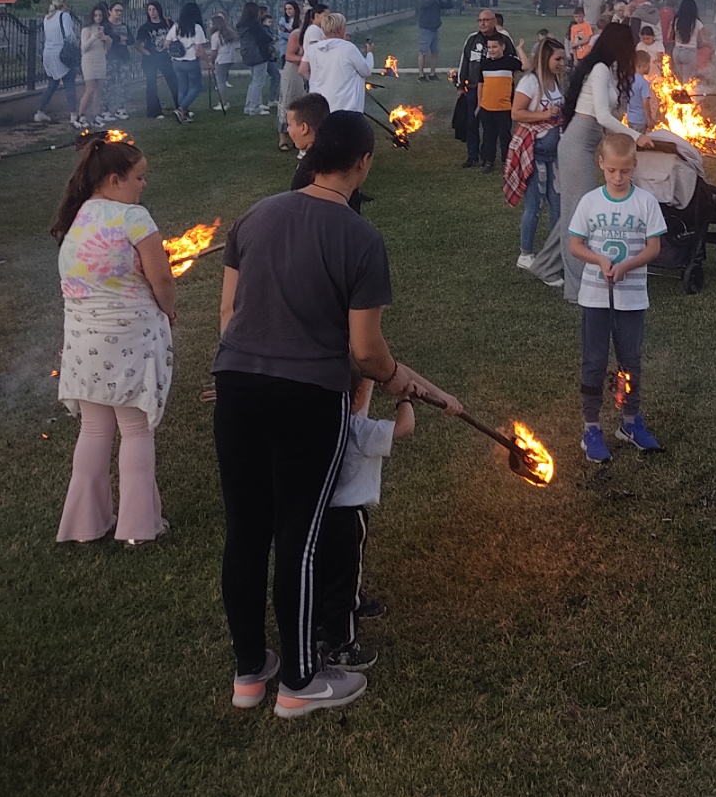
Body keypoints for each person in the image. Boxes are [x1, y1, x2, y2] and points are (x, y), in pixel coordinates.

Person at [213, 111, 460, 719]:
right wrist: (402, 380)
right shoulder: (360, 237)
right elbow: (365, 351)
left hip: (237, 388)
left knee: (247, 533)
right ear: (364, 162)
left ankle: (251, 673)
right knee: (298, 538)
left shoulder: (256, 215)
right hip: (307, 399)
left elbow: (227, 318)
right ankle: (299, 682)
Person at [53, 133, 175, 545]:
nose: (143, 186)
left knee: (94, 429)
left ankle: (85, 525)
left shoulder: (77, 217)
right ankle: (139, 528)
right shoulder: (134, 219)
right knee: (136, 429)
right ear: (113, 179)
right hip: (129, 341)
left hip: (84, 341)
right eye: (138, 178)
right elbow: (161, 278)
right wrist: (169, 309)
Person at [529, 23, 653, 300]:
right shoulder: (598, 70)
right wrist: (636, 136)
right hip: (576, 146)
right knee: (579, 217)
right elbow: (603, 117)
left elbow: (608, 122)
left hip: (586, 144)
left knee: (574, 211)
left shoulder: (605, 70)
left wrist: (628, 143)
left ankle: (545, 266)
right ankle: (575, 288)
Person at [568, 132, 666, 462]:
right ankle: (591, 427)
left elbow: (654, 247)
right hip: (596, 297)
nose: (618, 177)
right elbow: (576, 244)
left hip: (631, 299)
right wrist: (600, 260)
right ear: (601, 165)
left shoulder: (645, 203)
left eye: (624, 171)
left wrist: (628, 265)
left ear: (634, 166)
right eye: (612, 171)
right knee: (594, 361)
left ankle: (629, 422)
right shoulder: (590, 202)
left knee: (630, 361)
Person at [315, 369, 415, 671]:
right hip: (348, 517)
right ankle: (342, 646)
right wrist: (404, 398)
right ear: (358, 395)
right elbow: (405, 427)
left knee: (326, 575)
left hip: (321, 514)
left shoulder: (325, 425)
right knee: (345, 580)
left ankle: (320, 625)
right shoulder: (360, 429)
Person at [508, 36, 566, 270]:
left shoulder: (557, 81)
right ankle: (525, 253)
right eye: (558, 59)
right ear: (545, 58)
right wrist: (545, 115)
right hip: (533, 152)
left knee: (558, 203)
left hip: (554, 154)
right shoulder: (530, 83)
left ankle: (554, 250)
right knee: (534, 205)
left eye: (564, 58)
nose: (562, 63)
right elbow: (516, 113)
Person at [455, 7, 517, 168]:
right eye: (480, 20)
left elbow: (514, 62)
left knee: (499, 126)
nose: (482, 23)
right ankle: (473, 156)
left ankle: (500, 158)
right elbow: (465, 62)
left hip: (498, 91)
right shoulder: (472, 39)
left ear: (494, 21)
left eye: (486, 20)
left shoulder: (504, 39)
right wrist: (461, 85)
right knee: (471, 122)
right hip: (474, 88)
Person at [302, 12, 375, 117]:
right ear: (340, 29)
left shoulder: (313, 48)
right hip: (345, 106)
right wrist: (369, 53)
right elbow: (366, 70)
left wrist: (317, 82)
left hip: (320, 103)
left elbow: (302, 70)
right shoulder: (348, 48)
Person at [475, 34, 520, 173]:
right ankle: (489, 161)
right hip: (487, 107)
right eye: (489, 47)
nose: (491, 50)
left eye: (495, 47)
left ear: (503, 47)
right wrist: (479, 105)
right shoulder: (485, 64)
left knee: (505, 137)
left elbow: (526, 66)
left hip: (504, 108)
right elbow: (480, 85)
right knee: (488, 136)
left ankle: (507, 162)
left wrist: (519, 50)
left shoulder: (510, 62)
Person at [33, 0, 80, 125]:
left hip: (48, 53)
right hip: (62, 54)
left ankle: (40, 112)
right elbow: (69, 34)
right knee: (70, 83)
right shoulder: (64, 16)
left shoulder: (47, 17)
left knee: (52, 84)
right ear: (64, 5)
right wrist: (76, 44)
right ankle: (73, 114)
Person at [134, 0, 180, 124]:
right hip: (150, 59)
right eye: (149, 10)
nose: (152, 12)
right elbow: (137, 44)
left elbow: (176, 36)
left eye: (153, 9)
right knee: (152, 84)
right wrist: (145, 52)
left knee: (174, 81)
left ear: (159, 10)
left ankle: (180, 106)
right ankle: (155, 112)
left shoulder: (167, 23)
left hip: (165, 57)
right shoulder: (145, 27)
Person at [166, 0, 208, 120]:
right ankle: (181, 109)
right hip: (191, 61)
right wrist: (208, 61)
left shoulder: (176, 26)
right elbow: (199, 48)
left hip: (176, 61)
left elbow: (167, 42)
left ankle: (182, 114)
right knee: (196, 87)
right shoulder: (197, 28)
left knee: (182, 88)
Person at [236, 2, 276, 116]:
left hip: (248, 54)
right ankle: (254, 108)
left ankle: (249, 106)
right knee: (258, 82)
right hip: (258, 54)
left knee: (254, 82)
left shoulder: (242, 25)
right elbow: (263, 38)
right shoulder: (254, 25)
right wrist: (271, 39)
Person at [275, 8, 305, 146]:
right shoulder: (296, 34)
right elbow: (289, 56)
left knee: (303, 106)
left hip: (305, 74)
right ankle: (283, 138)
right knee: (287, 103)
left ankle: (299, 137)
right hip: (293, 73)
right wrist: (306, 59)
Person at [78, 2, 111, 128]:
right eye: (96, 15)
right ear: (92, 16)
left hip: (101, 60)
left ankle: (96, 114)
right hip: (89, 62)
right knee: (90, 89)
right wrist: (93, 38)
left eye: (100, 16)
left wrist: (107, 40)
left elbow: (107, 49)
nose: (98, 18)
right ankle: (81, 115)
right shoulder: (86, 30)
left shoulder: (103, 29)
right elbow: (84, 48)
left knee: (99, 90)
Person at [104, 1, 132, 121]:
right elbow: (107, 37)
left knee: (124, 83)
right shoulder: (106, 25)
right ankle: (105, 110)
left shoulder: (124, 25)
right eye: (116, 10)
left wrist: (122, 40)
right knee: (108, 84)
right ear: (110, 11)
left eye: (121, 11)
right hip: (111, 58)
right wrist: (119, 38)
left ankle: (120, 108)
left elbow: (131, 39)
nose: (119, 13)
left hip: (124, 57)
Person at [209, 13, 239, 113]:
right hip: (230, 58)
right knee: (223, 80)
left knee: (220, 82)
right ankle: (224, 101)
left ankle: (223, 103)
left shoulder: (215, 36)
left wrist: (211, 61)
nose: (210, 25)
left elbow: (214, 51)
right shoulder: (228, 32)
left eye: (211, 23)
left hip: (221, 59)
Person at [415, 0, 444, 81]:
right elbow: (429, 3)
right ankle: (421, 75)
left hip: (435, 29)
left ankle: (432, 74)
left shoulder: (435, 0)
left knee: (435, 52)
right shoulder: (422, 1)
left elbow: (449, 5)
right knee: (423, 52)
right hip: (426, 30)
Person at [627, 48, 656, 131]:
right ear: (643, 64)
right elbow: (645, 103)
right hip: (640, 120)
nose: (649, 67)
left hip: (630, 118)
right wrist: (649, 119)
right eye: (648, 65)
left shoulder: (629, 79)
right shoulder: (644, 83)